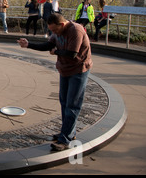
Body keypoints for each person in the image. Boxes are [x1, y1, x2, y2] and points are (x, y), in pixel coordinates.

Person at [17, 13, 92, 151]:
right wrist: (28, 45)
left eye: (55, 30)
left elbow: (72, 53)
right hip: (64, 70)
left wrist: (56, 52)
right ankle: (69, 132)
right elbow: (49, 45)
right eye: (51, 31)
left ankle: (65, 140)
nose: (53, 33)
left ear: (62, 24)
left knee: (72, 104)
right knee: (64, 101)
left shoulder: (76, 30)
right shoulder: (57, 31)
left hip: (78, 70)